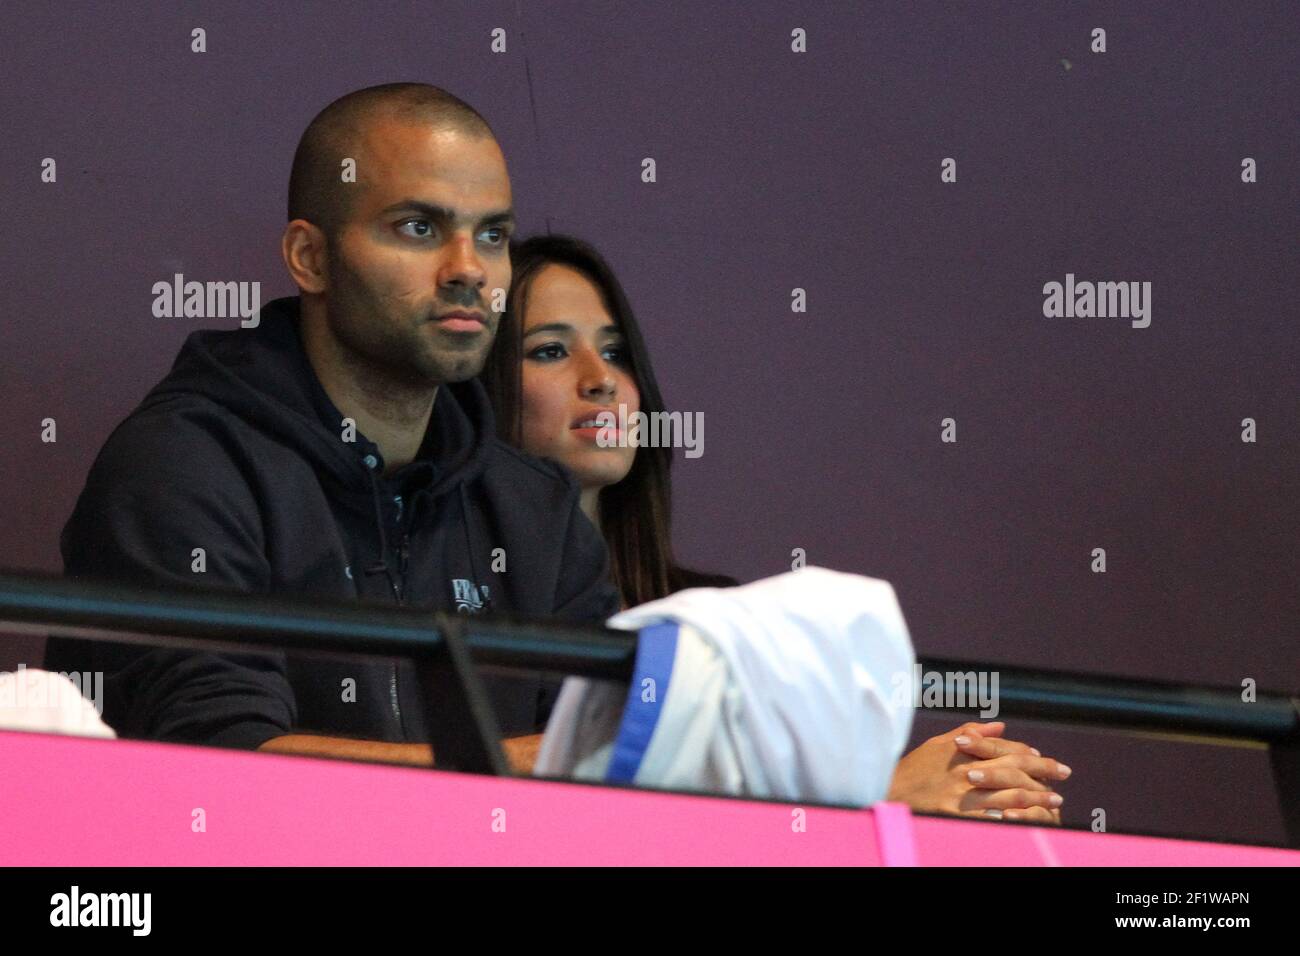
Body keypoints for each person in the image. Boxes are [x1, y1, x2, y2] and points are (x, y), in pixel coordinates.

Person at [45, 85, 620, 768]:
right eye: (419, 228)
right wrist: (518, 771)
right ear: (310, 258)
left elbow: (613, 761)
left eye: (492, 235)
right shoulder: (181, 467)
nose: (469, 269)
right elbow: (220, 761)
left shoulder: (536, 509)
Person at [481, 234, 1072, 822]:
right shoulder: (470, 605)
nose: (601, 379)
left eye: (616, 353)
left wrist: (964, 796)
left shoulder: (720, 618)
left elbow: (768, 832)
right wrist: (882, 797)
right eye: (550, 351)